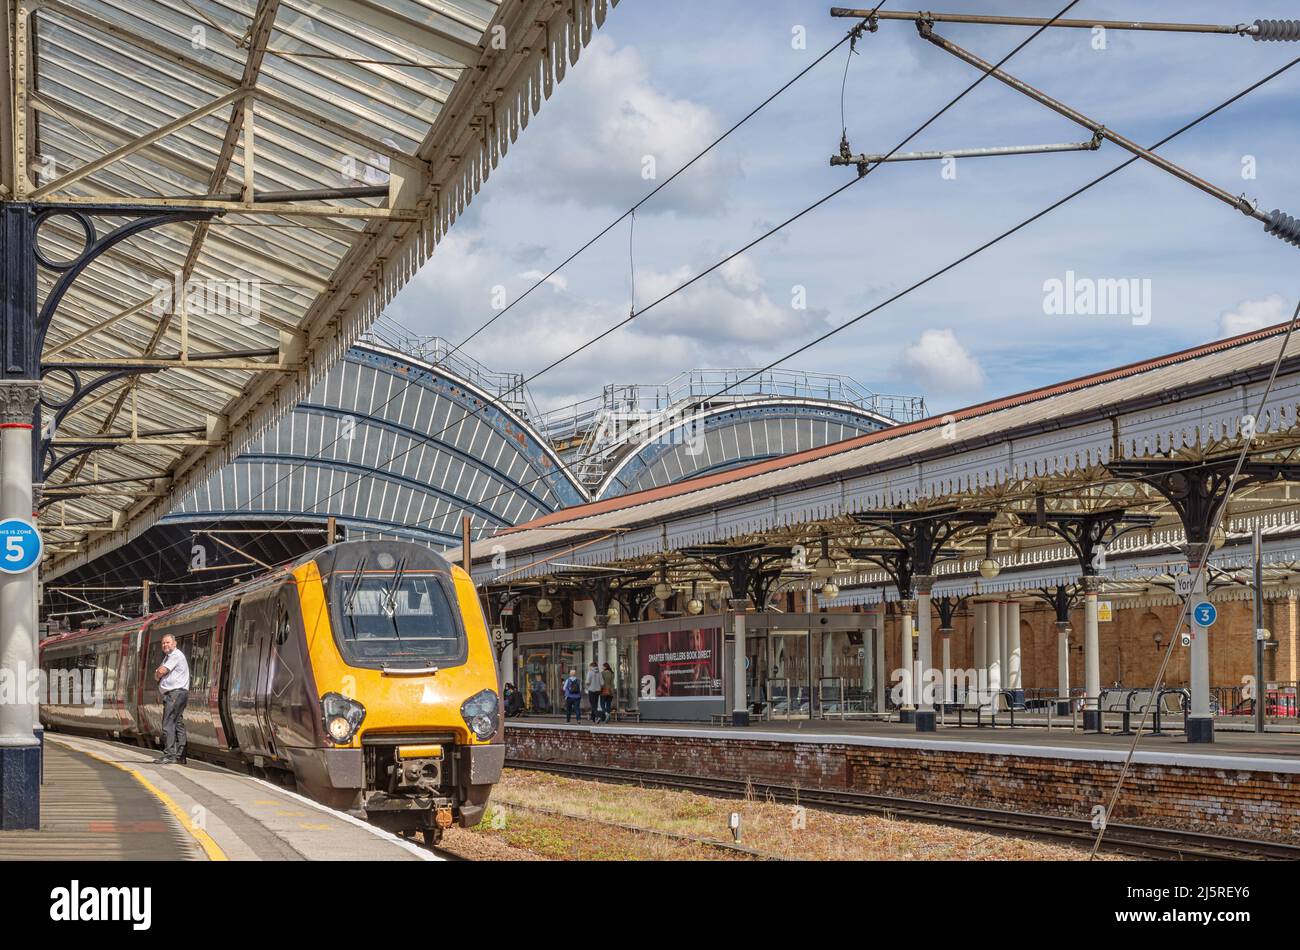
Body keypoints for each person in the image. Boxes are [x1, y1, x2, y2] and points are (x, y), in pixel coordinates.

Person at [154, 634, 189, 764]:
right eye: (163, 643)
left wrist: (159, 674)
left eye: (168, 642)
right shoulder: (168, 657)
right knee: (177, 724)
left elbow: (160, 672)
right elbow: (158, 672)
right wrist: (158, 673)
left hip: (175, 694)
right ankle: (180, 756)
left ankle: (170, 754)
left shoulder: (175, 655)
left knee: (168, 723)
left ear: (175, 643)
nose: (165, 645)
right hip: (177, 694)